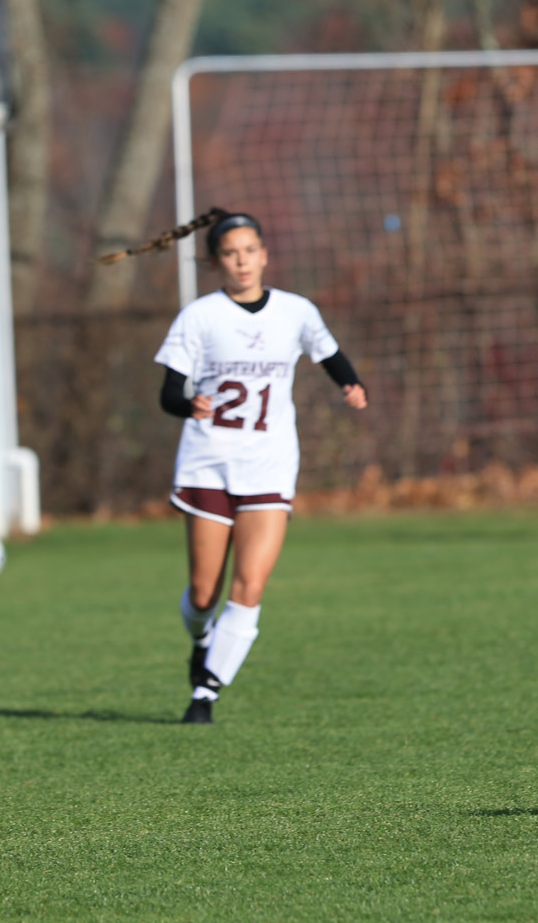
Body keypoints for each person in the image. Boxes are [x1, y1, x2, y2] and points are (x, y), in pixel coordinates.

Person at [153, 211, 368, 724]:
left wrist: (351, 384)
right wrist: (190, 405)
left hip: (270, 466)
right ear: (215, 261)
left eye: (250, 250)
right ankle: (201, 637)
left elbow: (329, 353)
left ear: (265, 254)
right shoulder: (199, 317)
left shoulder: (296, 311)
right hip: (208, 464)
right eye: (231, 253)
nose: (242, 261)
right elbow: (167, 393)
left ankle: (205, 692)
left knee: (249, 584)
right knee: (204, 593)